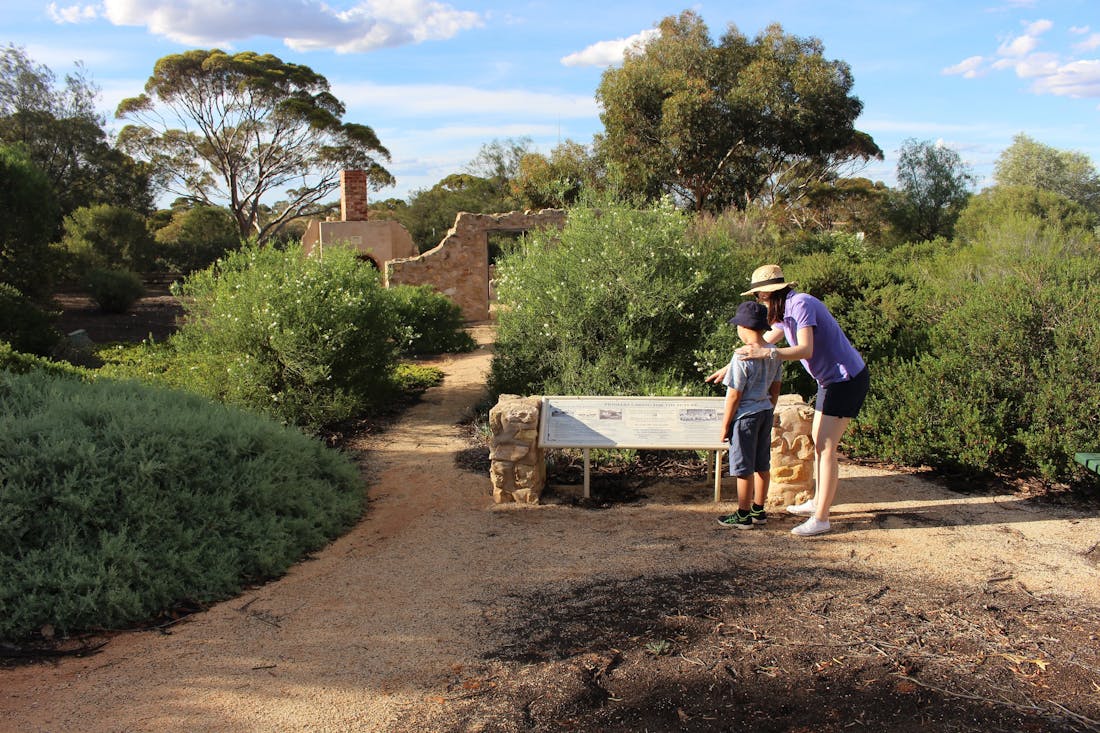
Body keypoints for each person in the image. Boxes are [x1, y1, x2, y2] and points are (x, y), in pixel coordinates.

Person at [707, 264, 869, 537]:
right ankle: (818, 502)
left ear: (770, 293)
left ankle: (821, 518)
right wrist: (731, 364)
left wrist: (768, 356)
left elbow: (805, 349)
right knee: (819, 440)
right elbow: (763, 341)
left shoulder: (801, 304)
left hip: (846, 379)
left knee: (827, 446)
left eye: (759, 295)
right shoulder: (784, 311)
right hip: (829, 381)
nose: (758, 299)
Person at [716, 301, 783, 530]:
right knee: (762, 463)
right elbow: (776, 387)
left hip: (745, 416)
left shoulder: (741, 356)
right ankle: (758, 509)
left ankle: (743, 514)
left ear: (743, 328)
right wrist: (769, 407)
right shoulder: (774, 352)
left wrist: (725, 425)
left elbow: (734, 394)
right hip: (764, 411)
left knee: (743, 467)